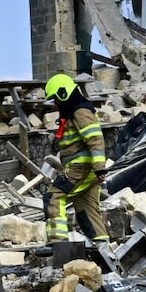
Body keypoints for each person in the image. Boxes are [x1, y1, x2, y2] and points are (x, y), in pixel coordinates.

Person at [41, 73, 109, 242]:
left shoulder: (80, 111)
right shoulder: (72, 112)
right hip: (87, 169)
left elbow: (95, 139)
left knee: (53, 198)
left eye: (56, 99)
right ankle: (103, 249)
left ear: (63, 93)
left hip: (80, 167)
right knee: (87, 210)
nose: (56, 104)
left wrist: (100, 166)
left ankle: (58, 244)